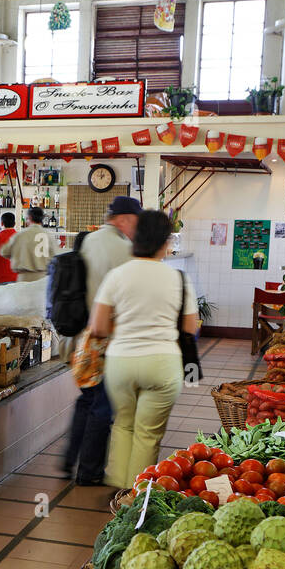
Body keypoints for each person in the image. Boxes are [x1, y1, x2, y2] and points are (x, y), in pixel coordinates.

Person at [89, 209, 199, 492]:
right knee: (148, 435)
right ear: (165, 242)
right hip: (163, 364)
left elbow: (98, 327)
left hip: (121, 363)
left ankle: (118, 489)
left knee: (124, 424)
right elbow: (189, 328)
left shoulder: (116, 276)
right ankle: (137, 495)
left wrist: (126, 330)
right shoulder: (178, 279)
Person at [64, 196, 140, 484]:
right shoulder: (124, 249)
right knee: (103, 406)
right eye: (135, 221)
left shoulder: (89, 241)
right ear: (124, 219)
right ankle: (89, 472)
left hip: (87, 336)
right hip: (110, 338)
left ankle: (69, 459)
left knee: (87, 399)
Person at [0, 206, 53, 283]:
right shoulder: (49, 235)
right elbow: (56, 257)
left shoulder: (20, 235)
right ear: (42, 219)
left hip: (24, 278)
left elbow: (4, 252)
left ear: (29, 218)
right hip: (43, 279)